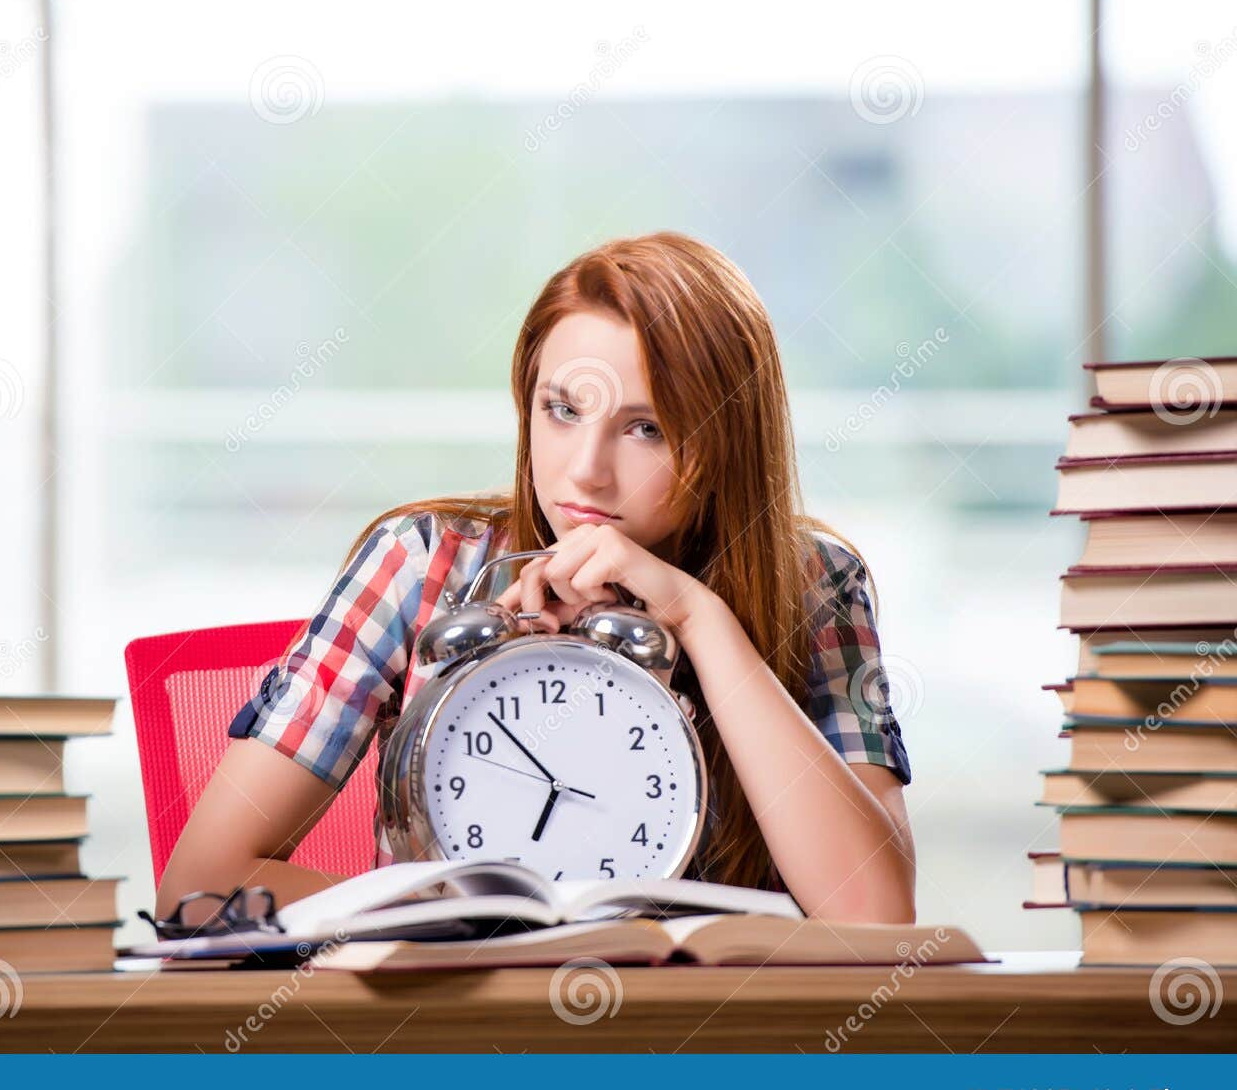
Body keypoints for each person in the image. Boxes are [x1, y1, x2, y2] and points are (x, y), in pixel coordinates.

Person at [157, 231, 915, 923]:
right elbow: (199, 889)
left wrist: (699, 619)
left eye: (646, 428)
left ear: (723, 446)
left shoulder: (815, 584)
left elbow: (876, 919)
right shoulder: (424, 565)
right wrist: (450, 911)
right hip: (456, 1030)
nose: (585, 471)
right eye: (561, 410)